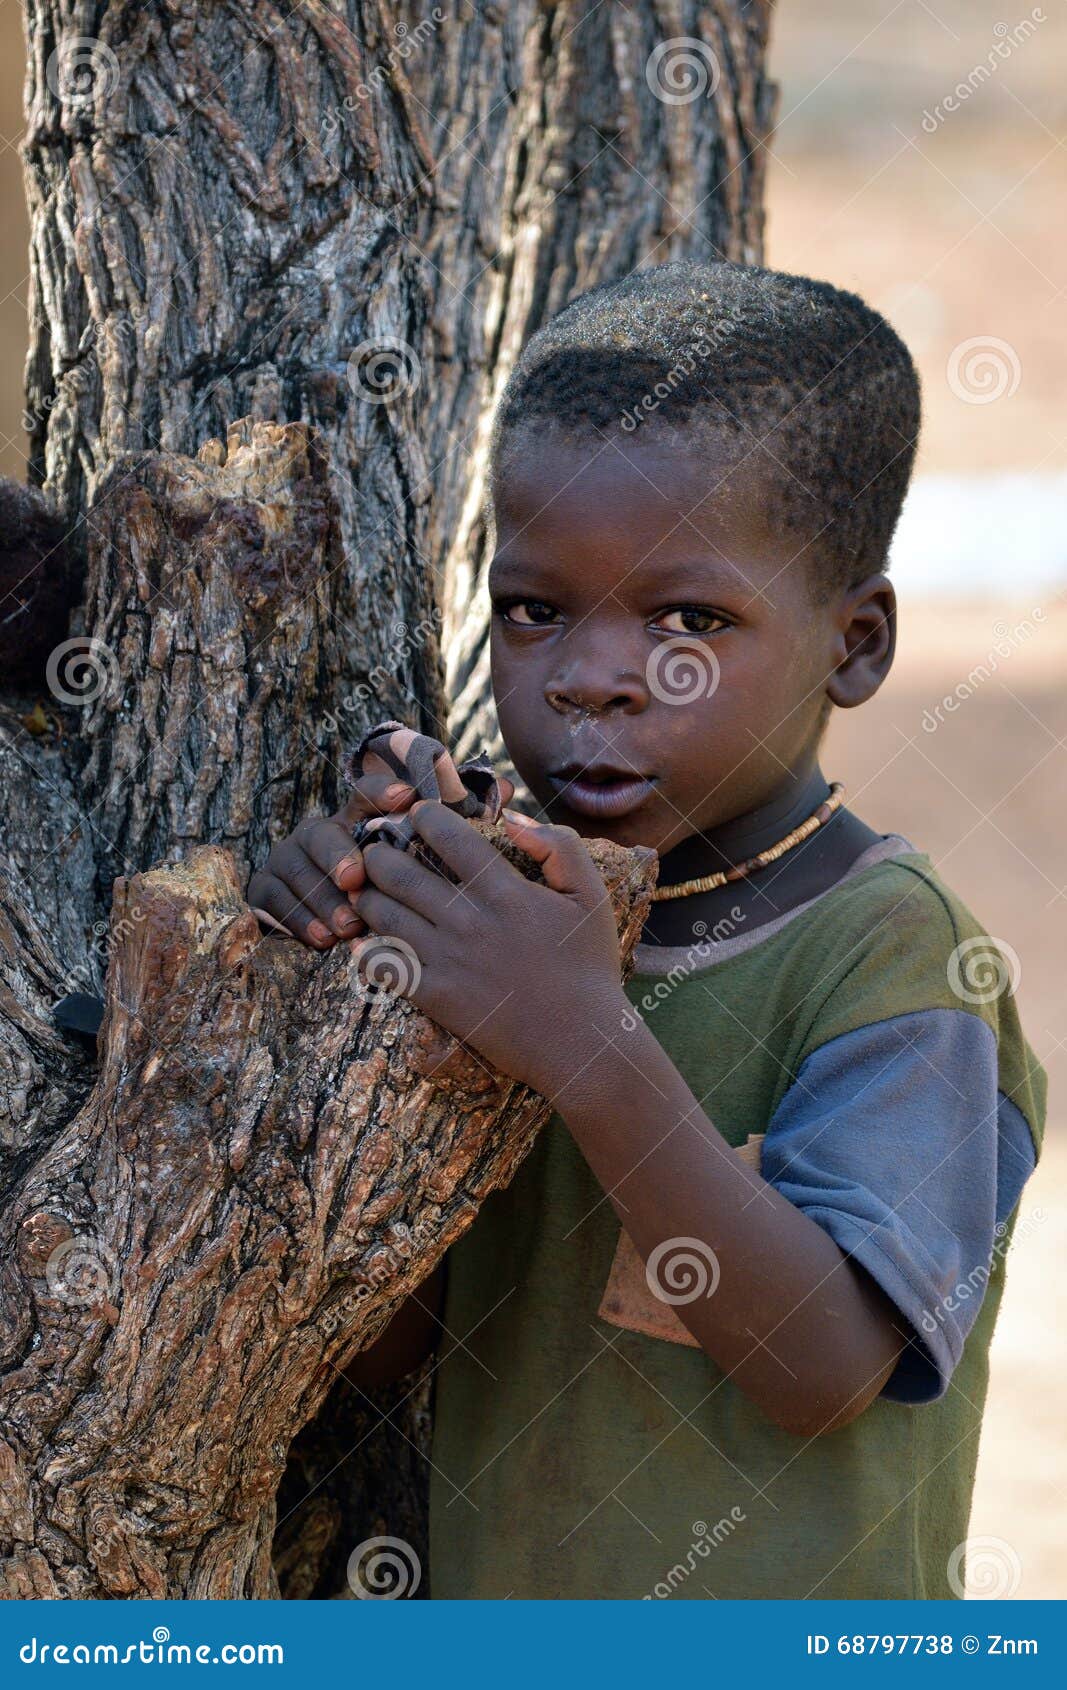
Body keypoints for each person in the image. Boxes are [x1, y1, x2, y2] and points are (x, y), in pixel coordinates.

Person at [247, 259, 1046, 1600]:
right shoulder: (524, 912)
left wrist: (575, 1034)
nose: (592, 678)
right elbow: (394, 1345)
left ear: (855, 643)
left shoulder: (893, 958)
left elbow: (824, 1364)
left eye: (691, 620)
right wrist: (332, 981)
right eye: (535, 610)